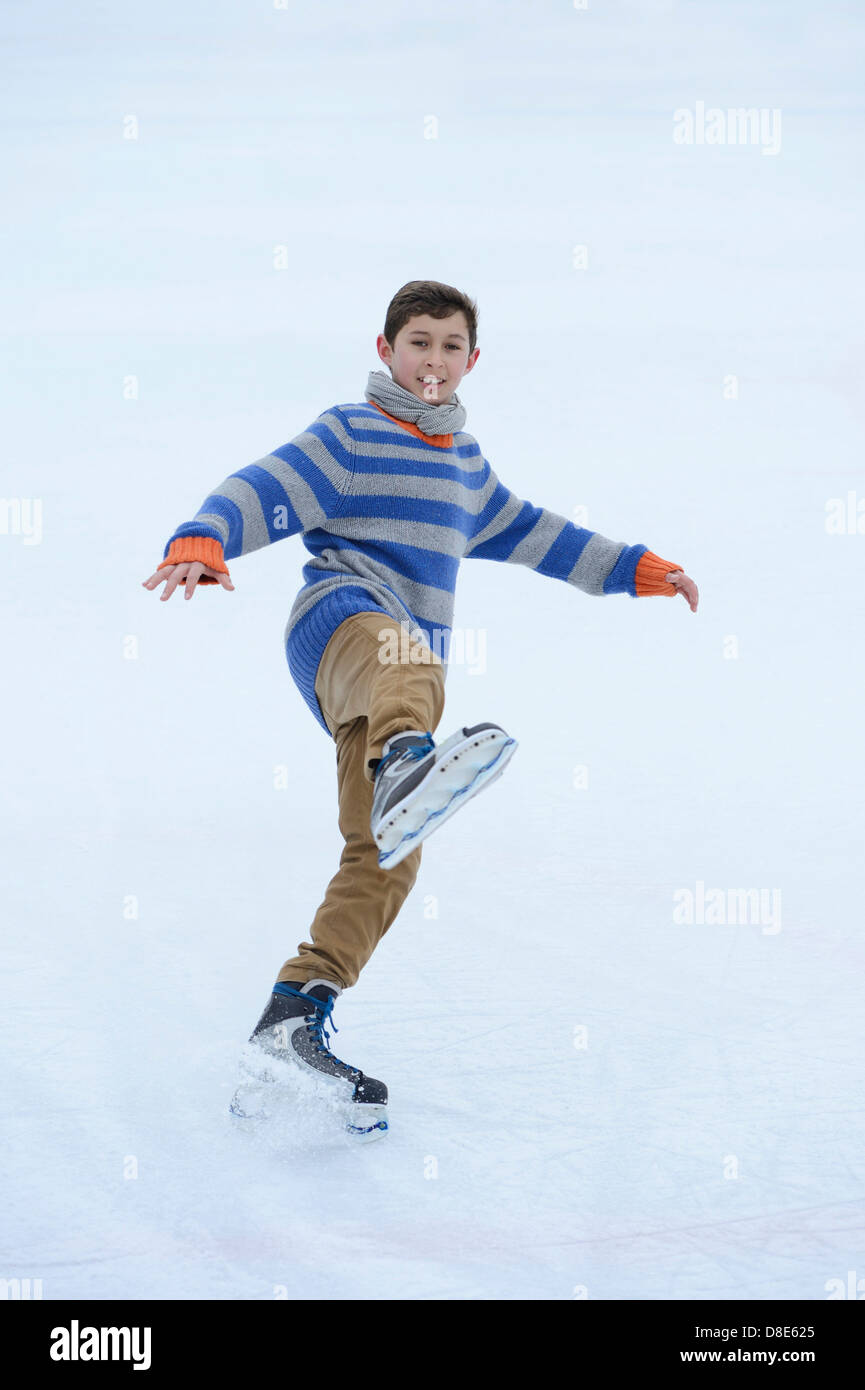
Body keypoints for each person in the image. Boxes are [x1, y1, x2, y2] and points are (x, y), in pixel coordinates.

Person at [142, 279, 699, 1138]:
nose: (432, 360)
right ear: (385, 352)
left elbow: (540, 533)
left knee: (388, 851)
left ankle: (294, 1015)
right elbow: (263, 484)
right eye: (418, 343)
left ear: (470, 361)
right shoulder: (350, 433)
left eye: (449, 346)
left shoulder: (465, 469)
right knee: (410, 654)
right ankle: (407, 759)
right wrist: (204, 535)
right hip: (339, 625)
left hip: (392, 681)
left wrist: (637, 568)